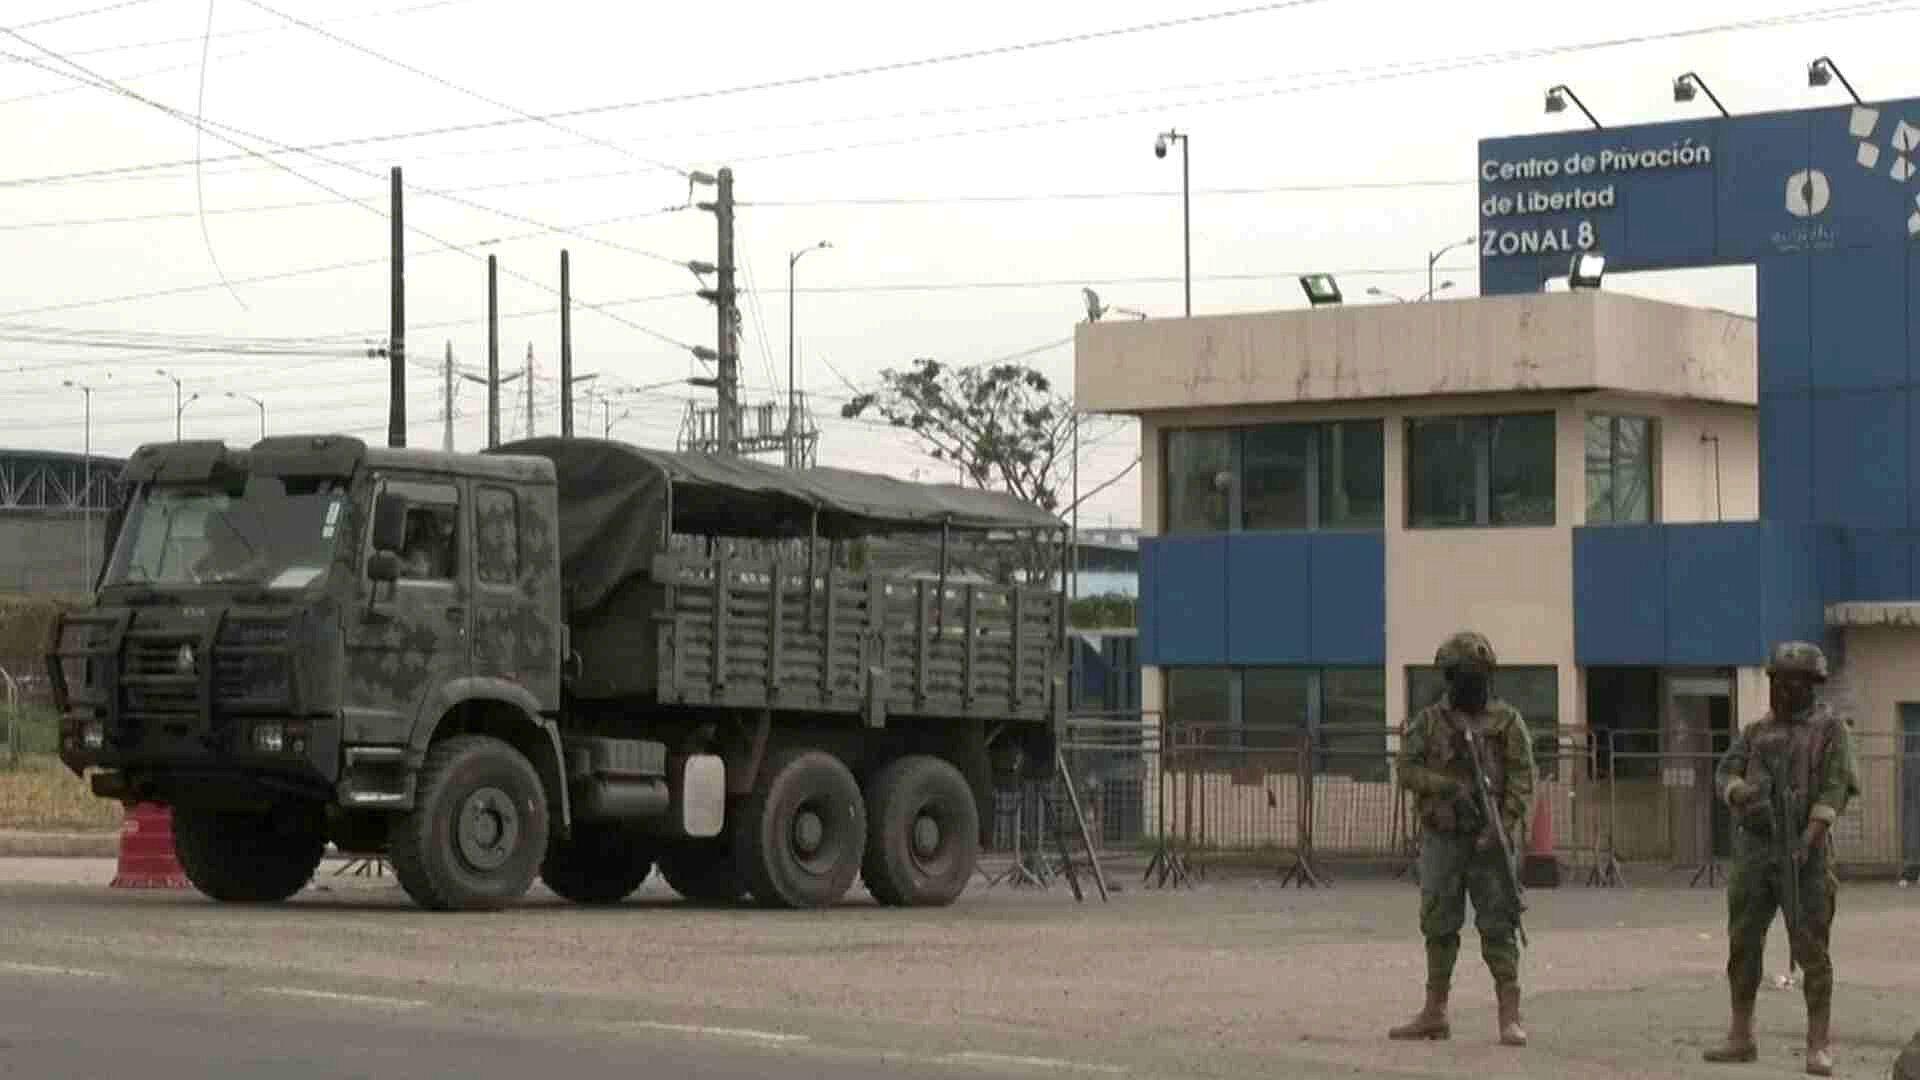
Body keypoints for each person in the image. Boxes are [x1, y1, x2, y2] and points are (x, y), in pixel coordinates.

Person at [1704, 640, 1860, 1077]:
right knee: (1743, 943)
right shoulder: (1756, 732)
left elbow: (1837, 784)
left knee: (1812, 949)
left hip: (1804, 853)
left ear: (1811, 685)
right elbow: (1724, 772)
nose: (1786, 690)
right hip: (1755, 851)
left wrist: (1811, 834)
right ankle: (1741, 1035)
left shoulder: (1830, 730)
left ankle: (1817, 1044)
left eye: (1795, 683)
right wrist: (1740, 793)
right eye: (1780, 682)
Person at [1388, 630, 1536, 1048]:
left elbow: (1524, 779)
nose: (1467, 685)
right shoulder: (1431, 721)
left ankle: (1509, 1015)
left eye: (1474, 676)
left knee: (1499, 925)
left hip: (1489, 843)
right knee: (1438, 923)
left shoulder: (1507, 722)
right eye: (1459, 676)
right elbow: (1406, 769)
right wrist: (1446, 787)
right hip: (1443, 839)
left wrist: (1502, 824)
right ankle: (1434, 1013)